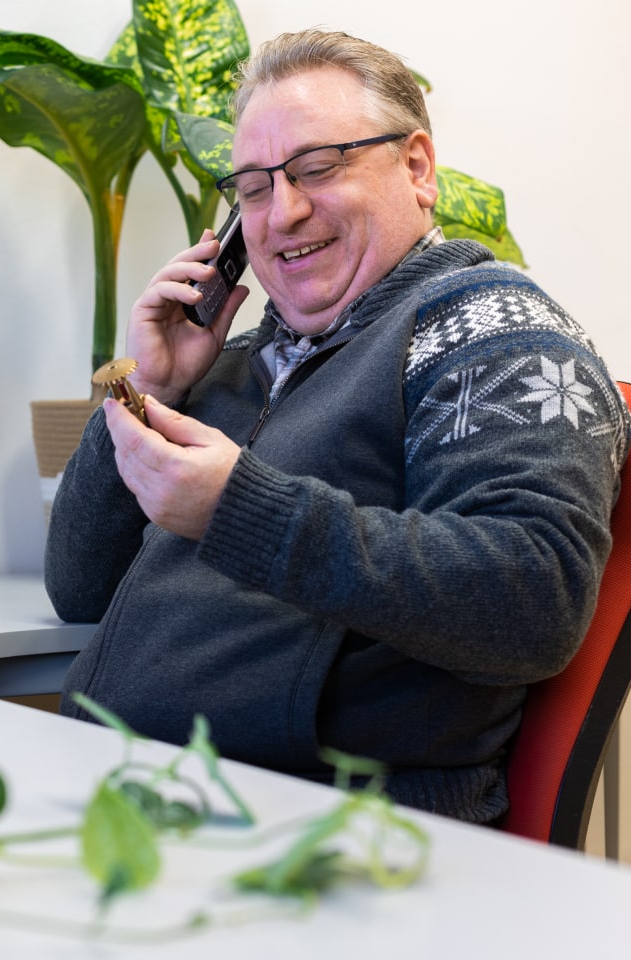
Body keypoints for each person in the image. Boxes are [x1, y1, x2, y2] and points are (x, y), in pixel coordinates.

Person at [45, 28, 630, 824]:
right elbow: (78, 585)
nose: (282, 213)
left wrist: (237, 510)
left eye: (318, 169)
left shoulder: (497, 331)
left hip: (323, 835)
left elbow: (532, 601)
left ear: (417, 168)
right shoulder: (232, 356)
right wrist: (148, 387)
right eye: (252, 188)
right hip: (131, 800)